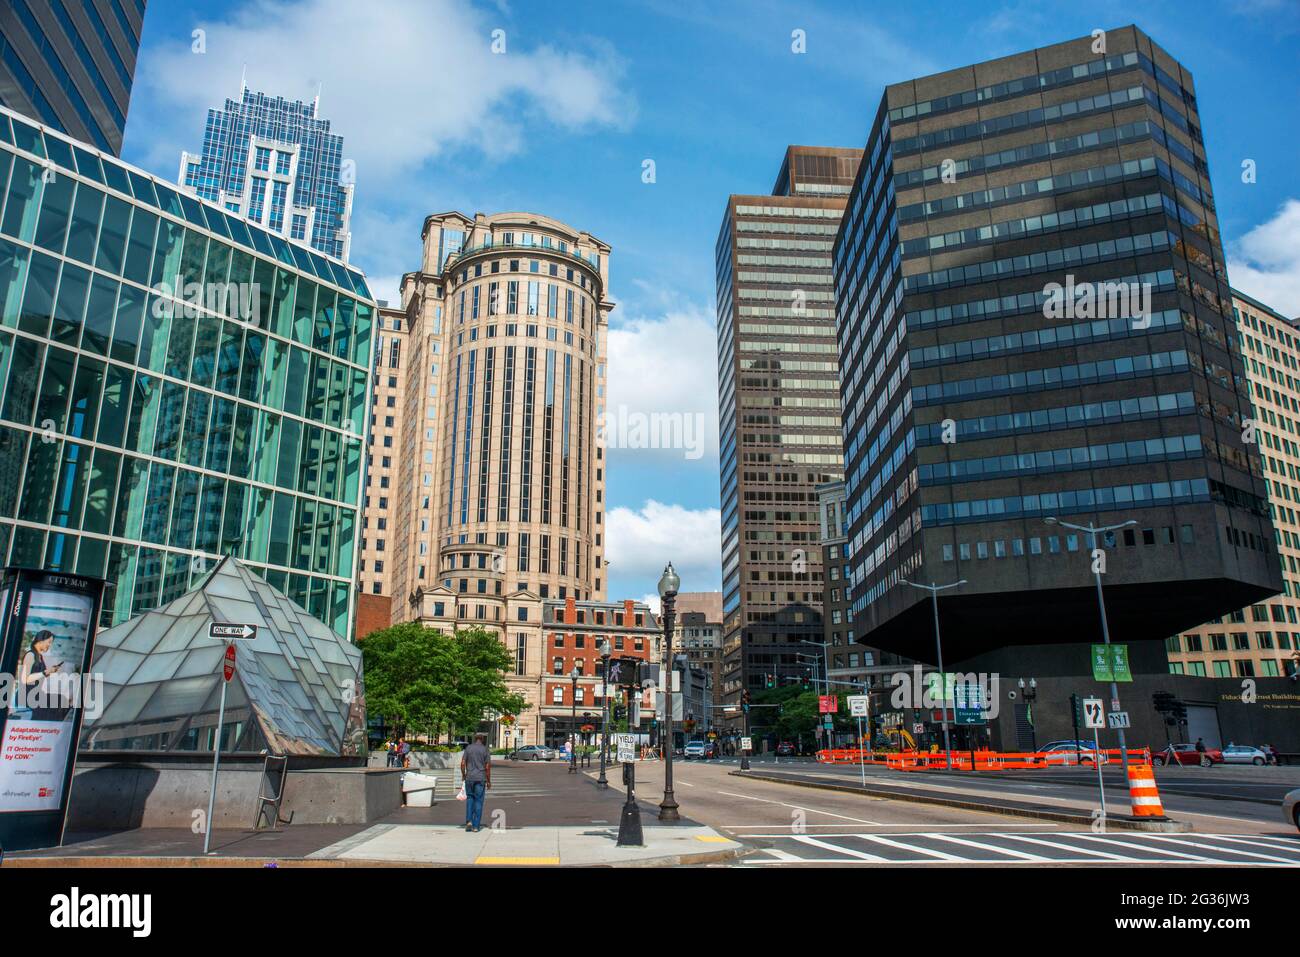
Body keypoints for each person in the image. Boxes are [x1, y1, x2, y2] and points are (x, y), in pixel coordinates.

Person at [18, 630, 67, 721]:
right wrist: (45, 672)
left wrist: (50, 672)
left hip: (36, 694)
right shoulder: (30, 655)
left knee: (62, 700)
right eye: (49, 642)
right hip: (26, 696)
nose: (50, 645)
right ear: (41, 640)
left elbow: (40, 675)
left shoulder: (40, 656)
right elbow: (25, 679)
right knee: (59, 702)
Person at [460, 733, 492, 832]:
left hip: (469, 777)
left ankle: (469, 820)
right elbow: (487, 767)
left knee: (470, 799)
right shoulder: (485, 749)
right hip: (480, 777)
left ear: (475, 739)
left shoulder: (468, 748)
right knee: (478, 801)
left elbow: (462, 763)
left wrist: (463, 774)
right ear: (482, 739)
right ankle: (476, 826)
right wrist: (489, 781)